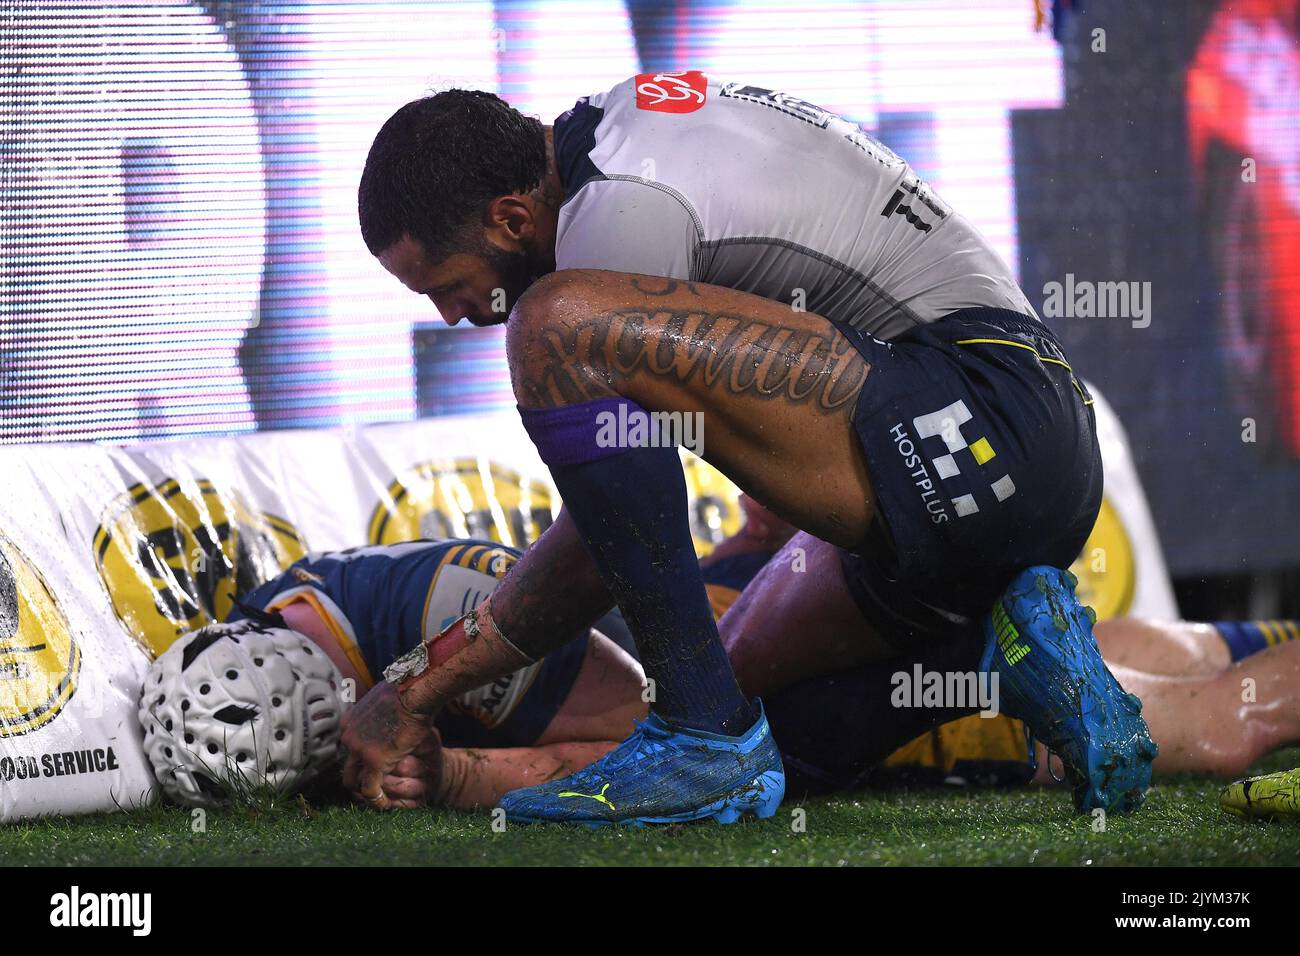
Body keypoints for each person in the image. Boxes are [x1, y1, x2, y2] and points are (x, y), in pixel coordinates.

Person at [345, 73, 1155, 825]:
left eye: (445, 287)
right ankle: (996, 649)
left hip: (982, 414)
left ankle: (703, 737)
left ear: (512, 220)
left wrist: (412, 689)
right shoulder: (611, 142)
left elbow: (599, 550)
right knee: (771, 724)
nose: (451, 316)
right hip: (1000, 461)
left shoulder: (617, 211)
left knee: (555, 327)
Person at [223, 527, 1298, 810]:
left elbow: (662, 739)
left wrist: (458, 778)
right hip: (797, 604)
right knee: (1188, 656)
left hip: (846, 667)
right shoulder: (304, 606)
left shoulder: (447, 626)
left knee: (1215, 723)